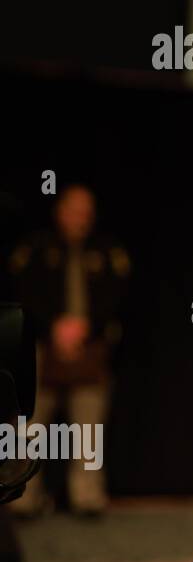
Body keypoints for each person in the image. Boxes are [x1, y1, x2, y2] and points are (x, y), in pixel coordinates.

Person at [9, 186, 127, 516]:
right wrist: (52, 328)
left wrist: (86, 328)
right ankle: (24, 497)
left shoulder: (107, 252)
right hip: (39, 350)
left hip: (90, 350)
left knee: (88, 427)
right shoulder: (35, 249)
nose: (80, 217)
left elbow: (117, 296)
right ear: (59, 211)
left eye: (86, 211)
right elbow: (23, 292)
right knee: (28, 426)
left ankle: (87, 498)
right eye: (73, 209)